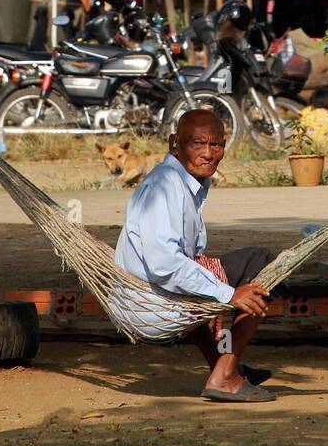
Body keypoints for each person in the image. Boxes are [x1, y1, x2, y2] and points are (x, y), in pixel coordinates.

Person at [114, 109, 278, 402]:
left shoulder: (183, 182)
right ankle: (225, 374)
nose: (207, 153)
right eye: (197, 144)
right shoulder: (164, 186)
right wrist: (226, 294)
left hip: (156, 294)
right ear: (174, 144)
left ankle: (221, 364)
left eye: (215, 145)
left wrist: (213, 290)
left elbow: (184, 259)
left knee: (210, 271)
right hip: (149, 304)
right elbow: (165, 263)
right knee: (266, 264)